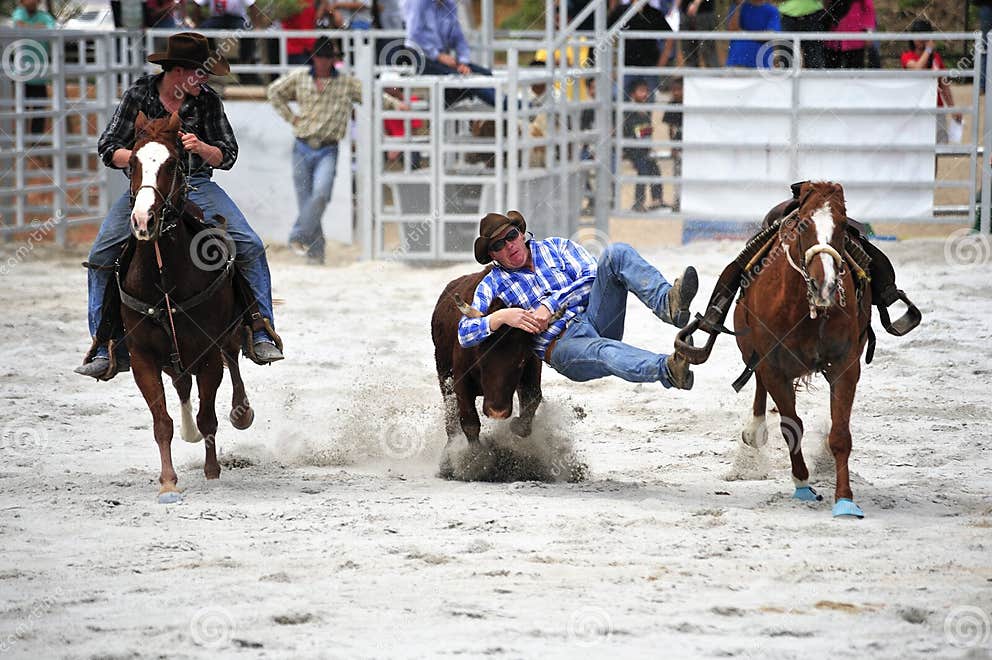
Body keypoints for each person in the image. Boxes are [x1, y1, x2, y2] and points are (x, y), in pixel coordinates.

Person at [76, 32, 284, 380]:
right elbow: (108, 147)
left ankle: (260, 330)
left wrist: (201, 147)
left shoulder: (207, 102)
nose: (204, 80)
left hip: (195, 184)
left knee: (248, 244)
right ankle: (106, 343)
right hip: (145, 186)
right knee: (101, 256)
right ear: (177, 72)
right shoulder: (139, 95)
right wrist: (146, 159)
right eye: (199, 73)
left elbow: (227, 154)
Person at [458, 211, 699, 390]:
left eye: (511, 236)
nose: (509, 246)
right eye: (499, 245)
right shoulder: (492, 283)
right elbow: (464, 333)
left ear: (521, 234)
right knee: (603, 350)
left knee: (616, 253)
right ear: (492, 255)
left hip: (596, 316)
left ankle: (669, 305)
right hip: (562, 346)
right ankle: (668, 369)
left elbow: (593, 276)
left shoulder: (555, 246)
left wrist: (550, 305)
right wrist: (500, 317)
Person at [267, 36, 409, 264]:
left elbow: (373, 95)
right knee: (309, 202)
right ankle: (315, 253)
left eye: (327, 57)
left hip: (327, 147)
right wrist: (291, 117)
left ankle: (298, 235)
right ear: (316, 58)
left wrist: (395, 104)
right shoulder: (300, 77)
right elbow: (273, 92)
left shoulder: (345, 82)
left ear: (332, 59)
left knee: (320, 196)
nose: (324, 62)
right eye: (321, 57)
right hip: (303, 144)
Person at [404, 0, 497, 107]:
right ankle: (508, 107)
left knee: (485, 74)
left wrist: (463, 62)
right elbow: (413, 36)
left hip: (442, 60)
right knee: (467, 80)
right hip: (421, 57)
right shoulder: (418, 3)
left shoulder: (450, 4)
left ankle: (438, 106)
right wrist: (438, 55)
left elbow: (459, 38)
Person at [901, 18, 962, 144]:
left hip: (936, 107)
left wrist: (952, 108)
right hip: (916, 109)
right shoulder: (907, 56)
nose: (920, 39)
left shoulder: (936, 58)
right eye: (917, 35)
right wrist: (928, 50)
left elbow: (944, 86)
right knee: (917, 147)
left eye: (923, 35)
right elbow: (917, 68)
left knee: (936, 148)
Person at [608, 0, 674, 101]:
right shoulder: (621, 11)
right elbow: (607, 34)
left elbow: (670, 36)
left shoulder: (654, 13)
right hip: (625, 67)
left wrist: (662, 62)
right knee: (617, 99)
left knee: (648, 101)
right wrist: (612, 65)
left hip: (649, 68)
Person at [11, 0, 56, 137]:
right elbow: (19, 26)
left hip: (39, 75)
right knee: (21, 110)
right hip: (21, 74)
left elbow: (51, 30)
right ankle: (22, 141)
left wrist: (29, 28)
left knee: (39, 111)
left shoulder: (45, 17)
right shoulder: (18, 13)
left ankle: (35, 146)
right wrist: (38, 28)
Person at [623, 79, 663, 212]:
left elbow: (646, 131)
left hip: (645, 149)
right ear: (633, 94)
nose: (645, 93)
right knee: (643, 171)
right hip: (634, 150)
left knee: (655, 169)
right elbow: (631, 132)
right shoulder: (629, 111)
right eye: (641, 91)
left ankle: (657, 199)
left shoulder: (646, 111)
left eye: (646, 90)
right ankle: (638, 202)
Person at [725, 0, 780, 69]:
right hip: (738, 58)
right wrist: (739, 6)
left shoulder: (771, 10)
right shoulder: (739, 7)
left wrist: (744, 34)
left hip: (761, 58)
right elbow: (731, 30)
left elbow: (771, 34)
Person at [824, 0, 874, 69]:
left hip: (854, 36)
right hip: (835, 36)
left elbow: (868, 8)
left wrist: (869, 31)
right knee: (832, 68)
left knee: (855, 69)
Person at [661, 77, 683, 212]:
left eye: (679, 89)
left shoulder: (692, 102)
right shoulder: (671, 105)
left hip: (693, 145)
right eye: (673, 90)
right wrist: (673, 145)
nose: (675, 92)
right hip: (679, 146)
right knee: (678, 174)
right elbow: (671, 128)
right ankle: (678, 200)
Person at [679, 0, 719, 68]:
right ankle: (691, 75)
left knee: (708, 51)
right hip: (685, 12)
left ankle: (714, 75)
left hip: (704, 12)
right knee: (688, 52)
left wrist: (696, 2)